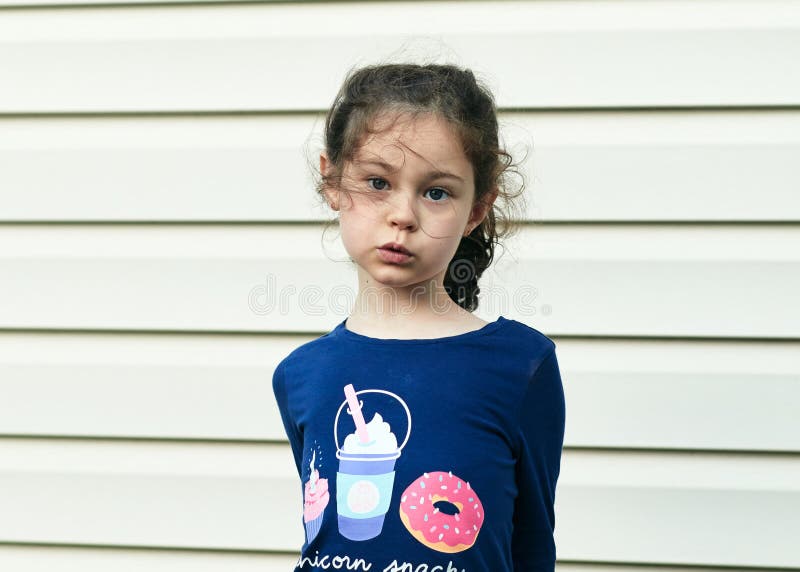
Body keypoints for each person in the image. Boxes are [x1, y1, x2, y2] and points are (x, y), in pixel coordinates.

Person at [272, 62, 566, 572]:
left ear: (477, 209)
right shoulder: (301, 374)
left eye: (436, 192)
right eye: (377, 182)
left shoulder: (521, 367)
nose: (403, 214)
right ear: (333, 183)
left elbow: (532, 547)